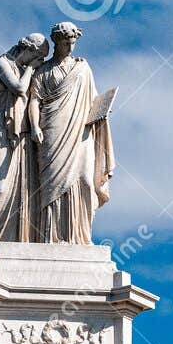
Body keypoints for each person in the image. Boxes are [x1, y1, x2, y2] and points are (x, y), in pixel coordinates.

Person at [28, 21, 114, 243]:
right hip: (52, 129)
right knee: (52, 183)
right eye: (66, 43)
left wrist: (102, 112)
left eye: (73, 43)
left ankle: (79, 236)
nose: (70, 47)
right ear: (56, 42)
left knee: (84, 180)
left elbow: (92, 99)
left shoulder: (83, 68)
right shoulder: (43, 71)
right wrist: (35, 126)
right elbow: (34, 101)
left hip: (81, 130)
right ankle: (51, 237)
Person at [0, 32, 49, 251]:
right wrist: (30, 69)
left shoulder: (26, 70)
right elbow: (18, 88)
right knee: (0, 188)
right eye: (38, 57)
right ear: (29, 50)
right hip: (0, 128)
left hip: (21, 133)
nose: (40, 62)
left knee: (22, 189)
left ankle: (17, 238)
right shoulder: (1, 64)